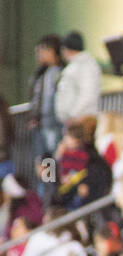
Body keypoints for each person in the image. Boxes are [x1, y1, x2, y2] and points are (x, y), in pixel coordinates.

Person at [29, 36, 64, 182]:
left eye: (44, 50)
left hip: (54, 126)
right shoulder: (40, 74)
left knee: (54, 163)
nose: (40, 54)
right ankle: (47, 198)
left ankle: (54, 197)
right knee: (44, 168)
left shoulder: (59, 73)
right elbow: (35, 99)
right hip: (40, 126)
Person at [54, 32, 101, 127]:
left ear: (66, 49)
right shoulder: (75, 66)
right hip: (73, 121)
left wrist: (73, 115)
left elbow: (88, 94)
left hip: (80, 121)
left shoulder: (85, 65)